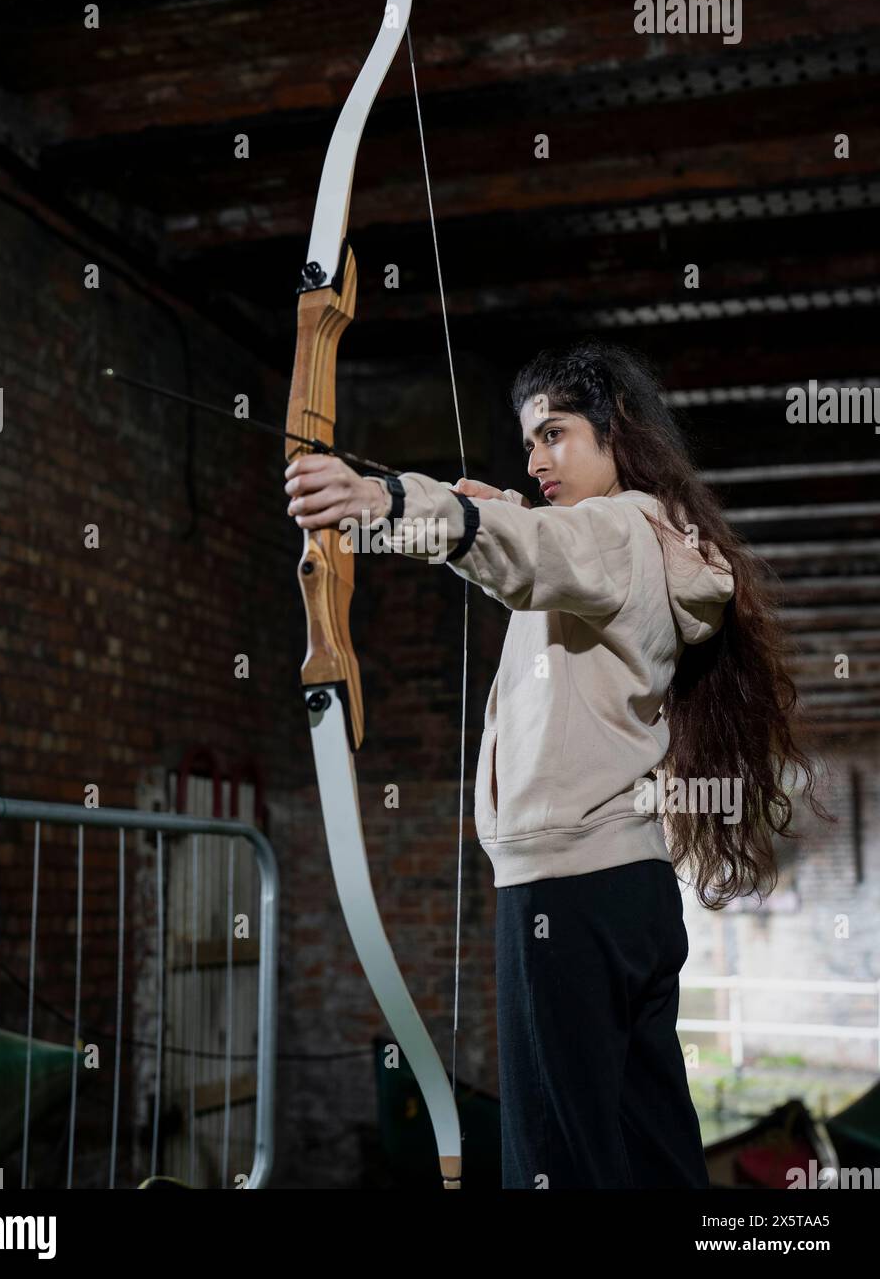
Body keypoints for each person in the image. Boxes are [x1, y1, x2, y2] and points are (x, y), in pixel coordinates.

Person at [284, 336, 831, 1190]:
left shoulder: (609, 531)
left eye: (556, 434)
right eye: (529, 438)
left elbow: (531, 551)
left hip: (564, 889)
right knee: (645, 1145)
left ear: (617, 434)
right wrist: (494, 512)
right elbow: (537, 551)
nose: (537, 457)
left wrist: (375, 502)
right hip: (627, 889)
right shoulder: (641, 536)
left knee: (557, 1159)